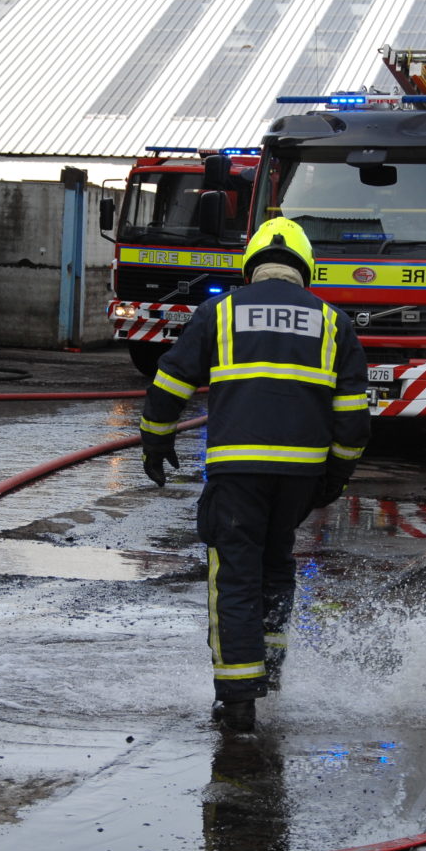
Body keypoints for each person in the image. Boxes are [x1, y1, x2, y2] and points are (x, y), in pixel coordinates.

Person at [139, 217, 370, 733]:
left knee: (236, 578)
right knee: (276, 566)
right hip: (300, 480)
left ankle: (239, 698)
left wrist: (155, 439)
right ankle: (271, 676)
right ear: (305, 267)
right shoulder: (334, 322)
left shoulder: (218, 313)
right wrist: (337, 475)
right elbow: (354, 416)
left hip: (237, 474)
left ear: (252, 265)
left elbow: (171, 381)